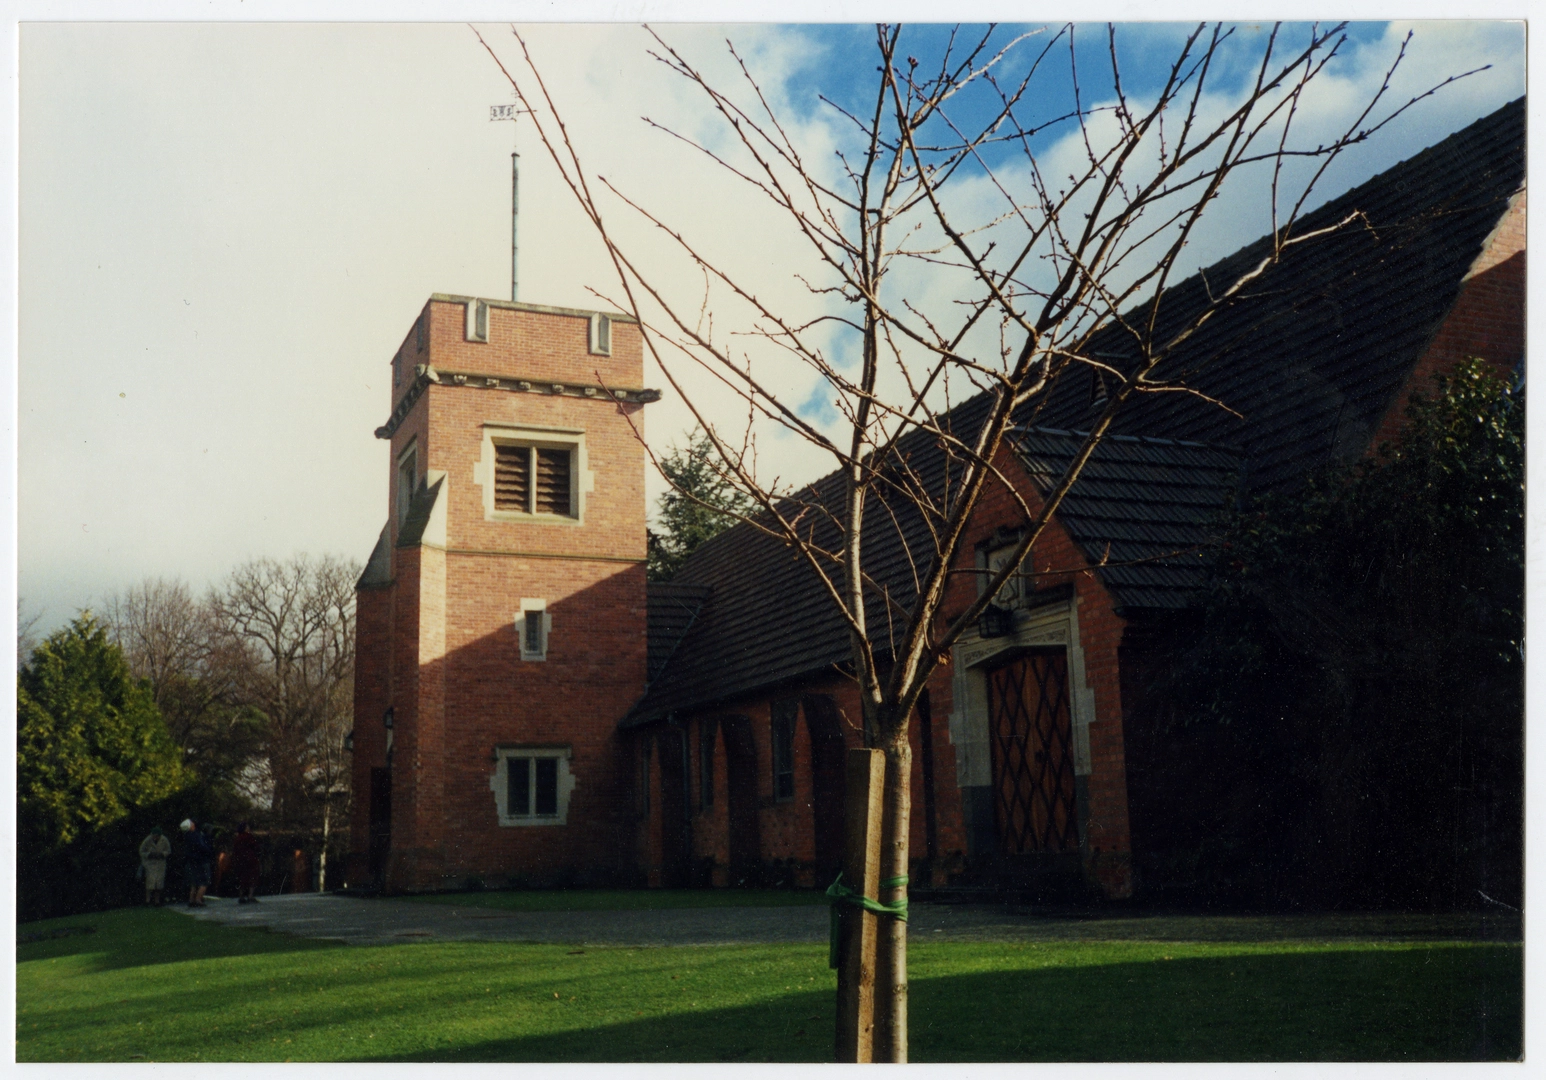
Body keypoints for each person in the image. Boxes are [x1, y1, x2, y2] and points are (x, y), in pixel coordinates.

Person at [181, 818, 213, 907]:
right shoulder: (196, 835)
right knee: (204, 881)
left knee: (194, 882)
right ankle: (198, 899)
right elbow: (202, 847)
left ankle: (191, 900)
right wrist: (208, 851)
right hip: (201, 861)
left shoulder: (187, 836)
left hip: (192, 861)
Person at [138, 826, 170, 906]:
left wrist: (162, 854)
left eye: (157, 836)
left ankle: (157, 901)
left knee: (159, 884)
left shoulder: (164, 840)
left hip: (160, 864)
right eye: (154, 836)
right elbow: (141, 851)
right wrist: (149, 854)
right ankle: (147, 901)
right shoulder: (147, 840)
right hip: (150, 864)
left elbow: (168, 850)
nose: (155, 838)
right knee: (149, 883)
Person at [233, 822, 261, 904]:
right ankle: (250, 896)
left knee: (242, 878)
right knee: (252, 877)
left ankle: (241, 896)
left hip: (240, 860)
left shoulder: (237, 838)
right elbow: (256, 847)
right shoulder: (249, 837)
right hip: (250, 859)